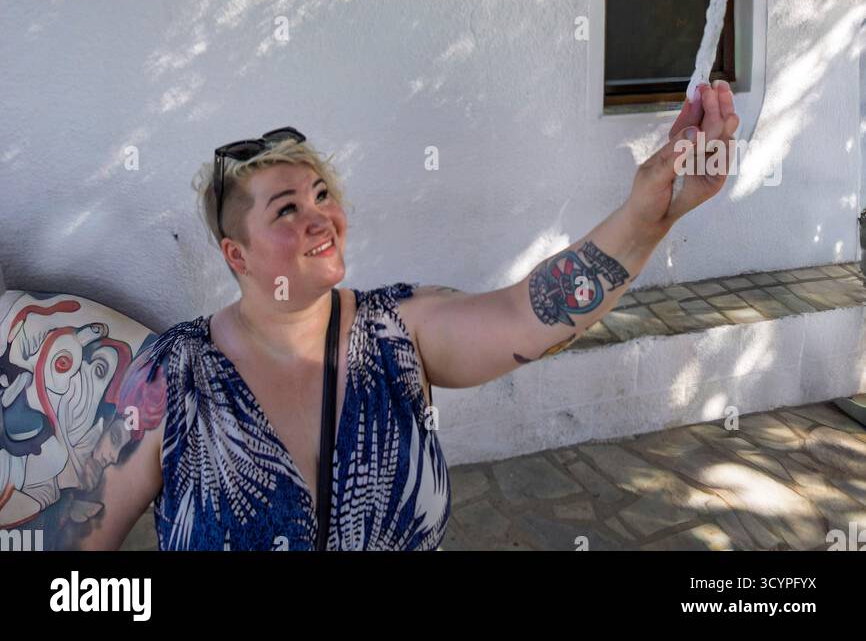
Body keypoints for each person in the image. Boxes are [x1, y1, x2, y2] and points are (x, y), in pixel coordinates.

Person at [76, 80, 739, 551]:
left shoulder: (398, 332)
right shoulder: (172, 376)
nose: (321, 219)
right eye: (286, 209)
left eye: (322, 195)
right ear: (236, 254)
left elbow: (530, 314)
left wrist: (651, 215)